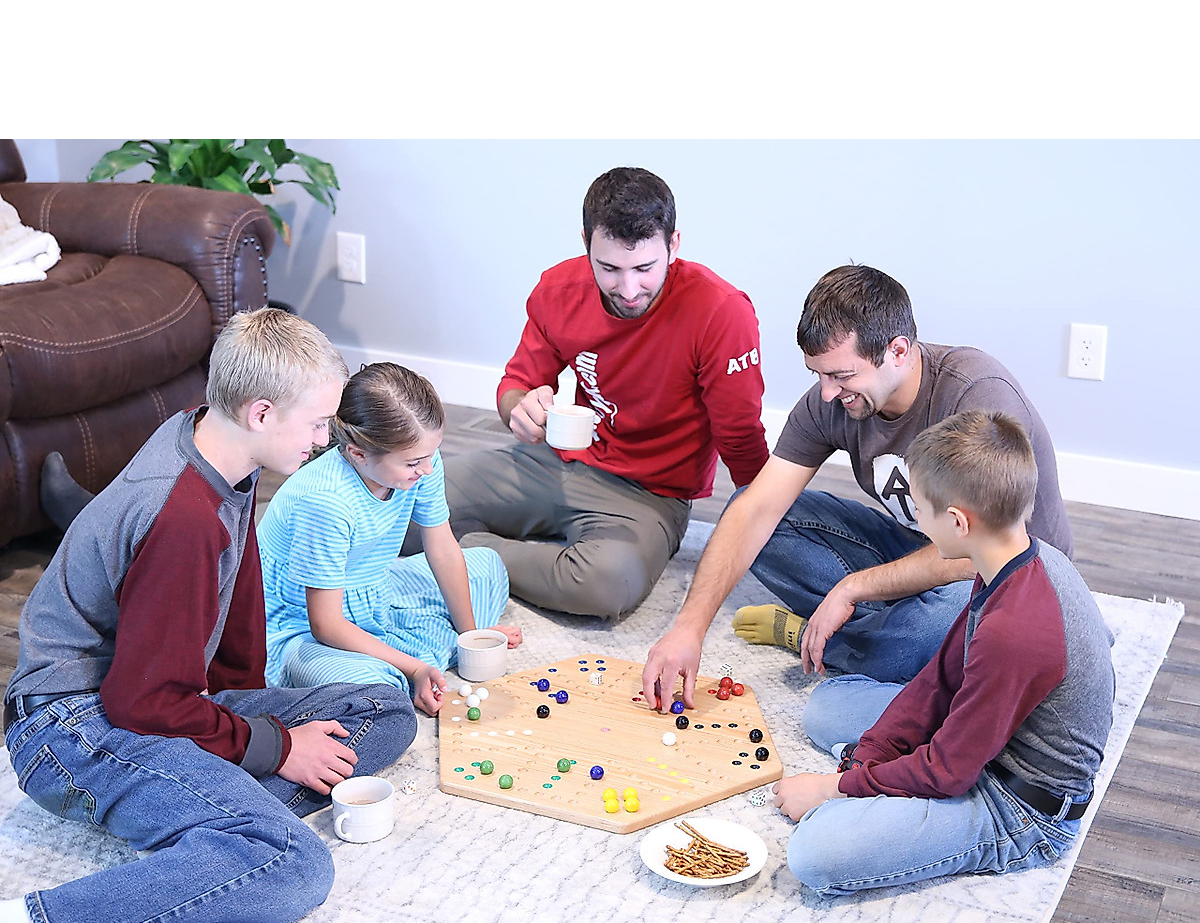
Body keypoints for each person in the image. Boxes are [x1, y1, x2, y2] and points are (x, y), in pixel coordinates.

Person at [0, 308, 418, 923]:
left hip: (155, 696)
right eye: (316, 422)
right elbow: (139, 702)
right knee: (291, 865)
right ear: (260, 412)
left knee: (382, 710)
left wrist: (248, 716)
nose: (325, 440)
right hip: (70, 725)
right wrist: (274, 745)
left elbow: (236, 597)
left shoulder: (212, 440)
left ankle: (203, 832)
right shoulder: (182, 518)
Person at [642, 263, 1073, 703]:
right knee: (753, 514)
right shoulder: (831, 401)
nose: (828, 393)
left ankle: (834, 638)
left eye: (842, 376)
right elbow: (756, 509)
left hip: (1005, 573)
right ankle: (885, 628)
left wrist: (853, 587)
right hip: (917, 544)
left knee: (942, 631)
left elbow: (981, 548)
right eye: (819, 375)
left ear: (898, 351)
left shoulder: (976, 395)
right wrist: (687, 630)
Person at [772, 409, 1115, 895]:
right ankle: (877, 783)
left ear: (957, 521)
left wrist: (834, 788)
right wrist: (865, 762)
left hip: (1021, 804)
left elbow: (948, 770)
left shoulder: (1016, 629)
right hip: (984, 736)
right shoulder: (1008, 556)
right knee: (826, 709)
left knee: (815, 854)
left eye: (919, 509)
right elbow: (940, 680)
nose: (916, 521)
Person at [410, 166, 770, 620]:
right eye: (609, 268)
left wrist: (767, 525)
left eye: (645, 267)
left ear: (673, 245)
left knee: (605, 585)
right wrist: (519, 409)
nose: (629, 288)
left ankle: (463, 546)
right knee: (409, 495)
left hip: (651, 495)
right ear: (586, 244)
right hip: (555, 463)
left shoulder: (720, 312)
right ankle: (465, 542)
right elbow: (516, 384)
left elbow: (740, 437)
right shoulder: (559, 288)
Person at [257, 362, 522, 715]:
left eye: (430, 455)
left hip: (373, 592)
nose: (426, 470)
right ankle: (406, 668)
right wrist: (413, 668)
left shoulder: (422, 461)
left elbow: (442, 547)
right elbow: (325, 624)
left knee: (486, 565)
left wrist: (470, 635)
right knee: (375, 689)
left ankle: (424, 652)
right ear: (358, 453)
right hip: (301, 622)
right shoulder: (325, 502)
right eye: (413, 463)